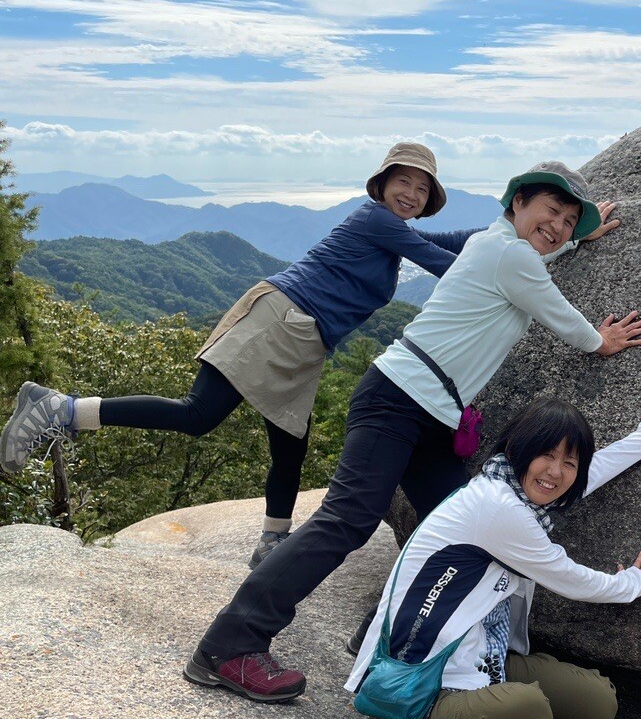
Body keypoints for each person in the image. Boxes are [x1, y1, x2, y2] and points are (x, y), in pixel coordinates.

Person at [183, 160, 641, 704]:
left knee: (459, 522)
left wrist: (569, 244)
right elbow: (558, 313)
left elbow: (530, 263)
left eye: (571, 220)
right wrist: (599, 340)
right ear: (518, 203)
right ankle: (228, 645)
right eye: (553, 211)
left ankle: (385, 636)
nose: (560, 225)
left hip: (428, 411)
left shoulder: (498, 247)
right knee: (347, 521)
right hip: (400, 399)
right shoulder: (510, 253)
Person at [0, 143, 494, 568]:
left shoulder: (391, 231)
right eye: (403, 181)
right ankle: (61, 409)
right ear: (383, 183)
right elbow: (447, 265)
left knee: (289, 445)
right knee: (198, 415)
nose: (411, 193)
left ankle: (272, 541)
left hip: (306, 342)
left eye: (422, 189)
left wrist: (513, 234)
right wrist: (506, 273)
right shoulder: (374, 219)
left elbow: (449, 242)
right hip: (278, 318)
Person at [349, 395, 641, 719]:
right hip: (408, 695)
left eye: (568, 461)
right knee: (526, 710)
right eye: (546, 455)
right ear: (517, 451)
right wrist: (631, 583)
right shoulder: (497, 507)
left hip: (484, 663)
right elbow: (570, 578)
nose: (555, 472)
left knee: (595, 701)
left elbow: (583, 476)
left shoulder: (517, 494)